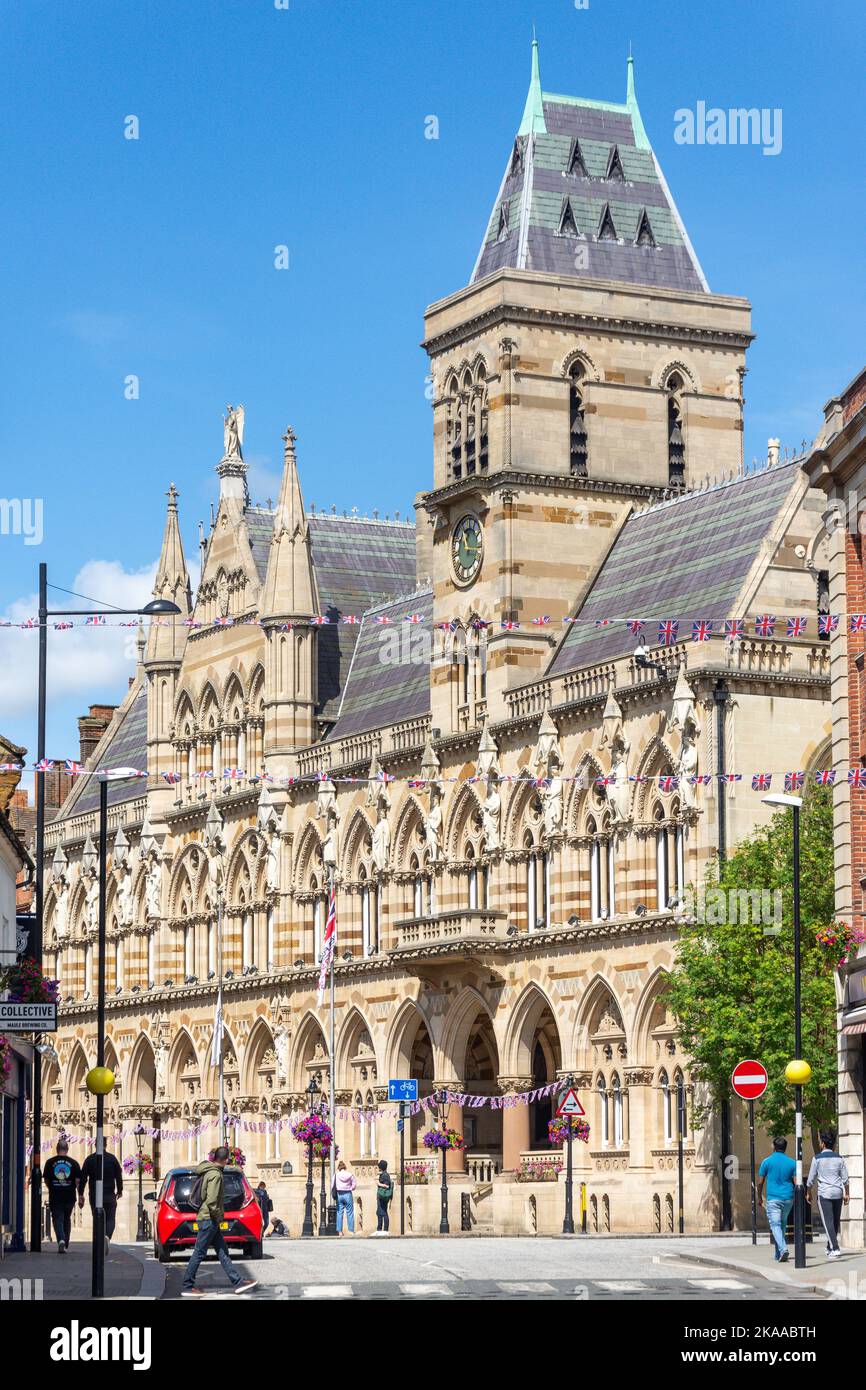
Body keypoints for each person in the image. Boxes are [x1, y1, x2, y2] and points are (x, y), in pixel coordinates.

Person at [182, 1146, 258, 1298]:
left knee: (223, 1252)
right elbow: (211, 1201)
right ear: (226, 1160)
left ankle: (238, 1282)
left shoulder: (208, 1171)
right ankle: (187, 1286)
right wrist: (218, 1216)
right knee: (199, 1252)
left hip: (207, 1218)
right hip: (209, 1218)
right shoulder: (216, 1175)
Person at [807, 1130, 850, 1259]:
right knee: (835, 1221)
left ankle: (835, 1248)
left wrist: (808, 1192)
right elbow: (845, 1178)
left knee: (828, 1222)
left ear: (823, 1144)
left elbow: (810, 1179)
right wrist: (847, 1194)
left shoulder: (817, 1158)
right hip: (838, 1193)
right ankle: (829, 1246)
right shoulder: (839, 1158)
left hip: (825, 1194)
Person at [757, 1137, 796, 1262]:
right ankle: (778, 1254)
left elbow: (760, 1182)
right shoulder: (792, 1163)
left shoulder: (767, 1161)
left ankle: (783, 1249)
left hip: (773, 1198)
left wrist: (759, 1197)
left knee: (775, 1225)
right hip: (788, 1198)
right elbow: (796, 1183)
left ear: (774, 1147)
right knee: (782, 1224)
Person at [78, 1147, 124, 1251]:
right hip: (109, 1194)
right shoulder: (112, 1159)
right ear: (106, 1145)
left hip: (95, 1195)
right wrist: (120, 1190)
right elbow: (118, 1176)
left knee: (97, 1218)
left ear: (95, 1145)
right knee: (110, 1218)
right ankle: (107, 1236)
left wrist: (81, 1193)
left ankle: (100, 1242)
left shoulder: (89, 1159)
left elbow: (83, 1178)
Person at [43, 1139, 82, 1253]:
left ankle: (61, 1240)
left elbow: (46, 1179)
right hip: (69, 1196)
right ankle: (66, 1244)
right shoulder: (74, 1163)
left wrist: (52, 1187)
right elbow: (77, 1182)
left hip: (55, 1195)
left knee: (57, 1218)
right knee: (67, 1219)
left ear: (57, 1149)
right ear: (67, 1149)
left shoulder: (50, 1162)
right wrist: (80, 1195)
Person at [334, 1160, 357, 1235]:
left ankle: (340, 1231)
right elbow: (354, 1185)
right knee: (350, 1212)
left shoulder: (336, 1175)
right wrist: (350, 1188)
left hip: (339, 1194)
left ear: (339, 1168)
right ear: (345, 1167)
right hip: (348, 1194)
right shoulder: (350, 1174)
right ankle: (351, 1230)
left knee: (339, 1213)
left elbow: (333, 1185)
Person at [374, 1159, 394, 1235]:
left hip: (383, 1196)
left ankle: (382, 1229)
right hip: (382, 1196)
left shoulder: (385, 1175)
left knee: (382, 1212)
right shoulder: (384, 1174)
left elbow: (387, 1185)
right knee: (380, 1212)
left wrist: (378, 1184)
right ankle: (381, 1229)